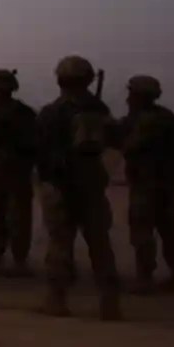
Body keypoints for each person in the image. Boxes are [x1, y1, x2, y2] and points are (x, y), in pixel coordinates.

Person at [34, 55, 122, 320]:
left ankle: (56, 299)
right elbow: (114, 144)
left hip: (61, 185)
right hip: (92, 184)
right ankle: (110, 303)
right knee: (100, 244)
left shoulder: (53, 111)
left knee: (60, 243)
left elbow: (40, 150)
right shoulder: (100, 109)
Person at [118, 74, 174, 294]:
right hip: (166, 184)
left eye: (132, 94)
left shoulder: (146, 121)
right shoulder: (170, 119)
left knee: (142, 231)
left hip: (147, 184)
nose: (128, 99)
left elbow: (130, 146)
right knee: (169, 230)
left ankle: (145, 278)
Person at [0, 69, 39, 276]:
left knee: (17, 216)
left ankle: (17, 258)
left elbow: (33, 142)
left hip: (16, 170)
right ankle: (0, 255)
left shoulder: (23, 113)